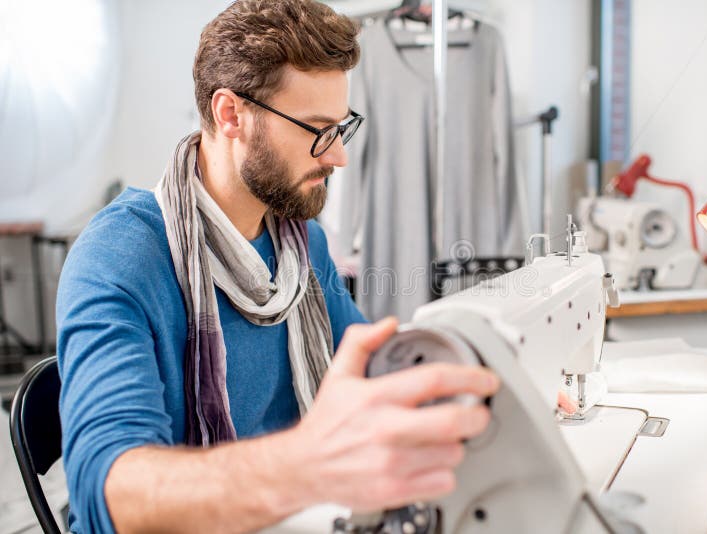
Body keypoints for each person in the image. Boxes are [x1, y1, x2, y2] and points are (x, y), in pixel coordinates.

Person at [55, 1, 499, 532]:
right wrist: (308, 465)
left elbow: (376, 367)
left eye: (341, 128)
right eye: (316, 129)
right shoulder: (120, 259)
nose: (337, 157)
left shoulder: (301, 243)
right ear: (230, 114)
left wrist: (484, 379)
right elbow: (111, 496)